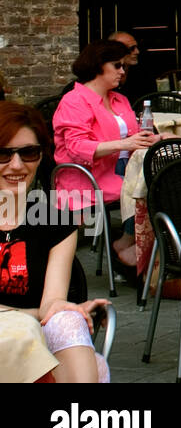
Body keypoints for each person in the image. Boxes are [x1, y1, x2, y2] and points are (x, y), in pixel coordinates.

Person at [0, 102, 111, 383]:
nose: (16, 165)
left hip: (30, 339)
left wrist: (66, 309)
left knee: (67, 318)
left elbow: (52, 306)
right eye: (3, 154)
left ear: (40, 157)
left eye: (28, 153)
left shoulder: (56, 222)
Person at [52, 40, 159, 267]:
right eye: (117, 65)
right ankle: (130, 245)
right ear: (98, 65)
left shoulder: (119, 99)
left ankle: (138, 248)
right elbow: (77, 148)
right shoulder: (74, 101)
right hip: (86, 179)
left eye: (124, 67)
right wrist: (124, 144)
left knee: (162, 180)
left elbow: (136, 137)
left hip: (121, 173)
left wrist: (159, 139)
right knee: (153, 187)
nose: (122, 71)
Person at [108, 30, 154, 103]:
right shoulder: (103, 75)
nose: (137, 52)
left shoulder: (143, 73)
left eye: (136, 47)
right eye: (131, 48)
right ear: (115, 50)